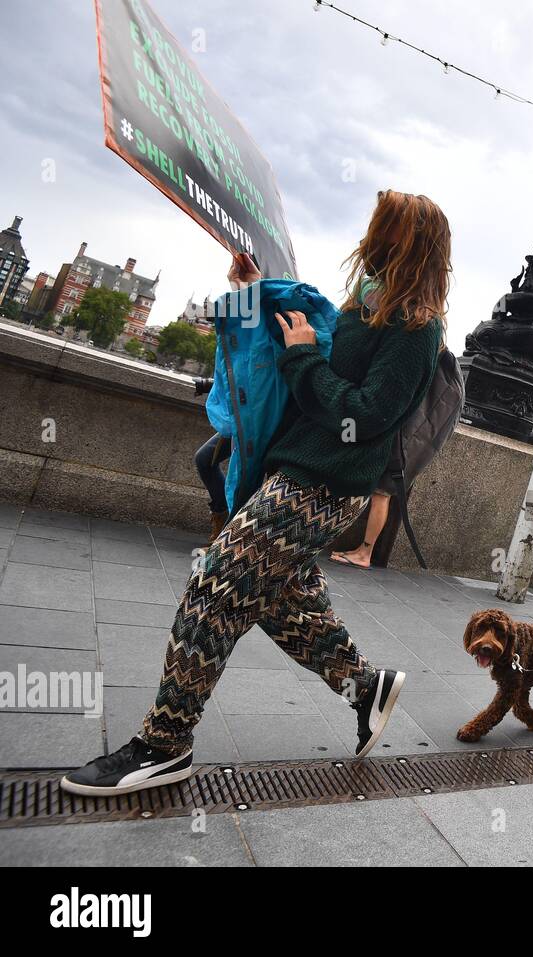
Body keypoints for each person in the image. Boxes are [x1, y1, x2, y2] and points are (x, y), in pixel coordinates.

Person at [60, 190, 449, 796]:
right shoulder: (362, 307)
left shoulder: (416, 331)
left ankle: (164, 745)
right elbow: (293, 351)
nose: (372, 241)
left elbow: (366, 414)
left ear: (414, 245)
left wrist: (301, 363)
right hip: (291, 469)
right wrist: (252, 290)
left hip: (323, 486)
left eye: (387, 231)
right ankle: (363, 685)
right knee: (274, 599)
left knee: (215, 589)